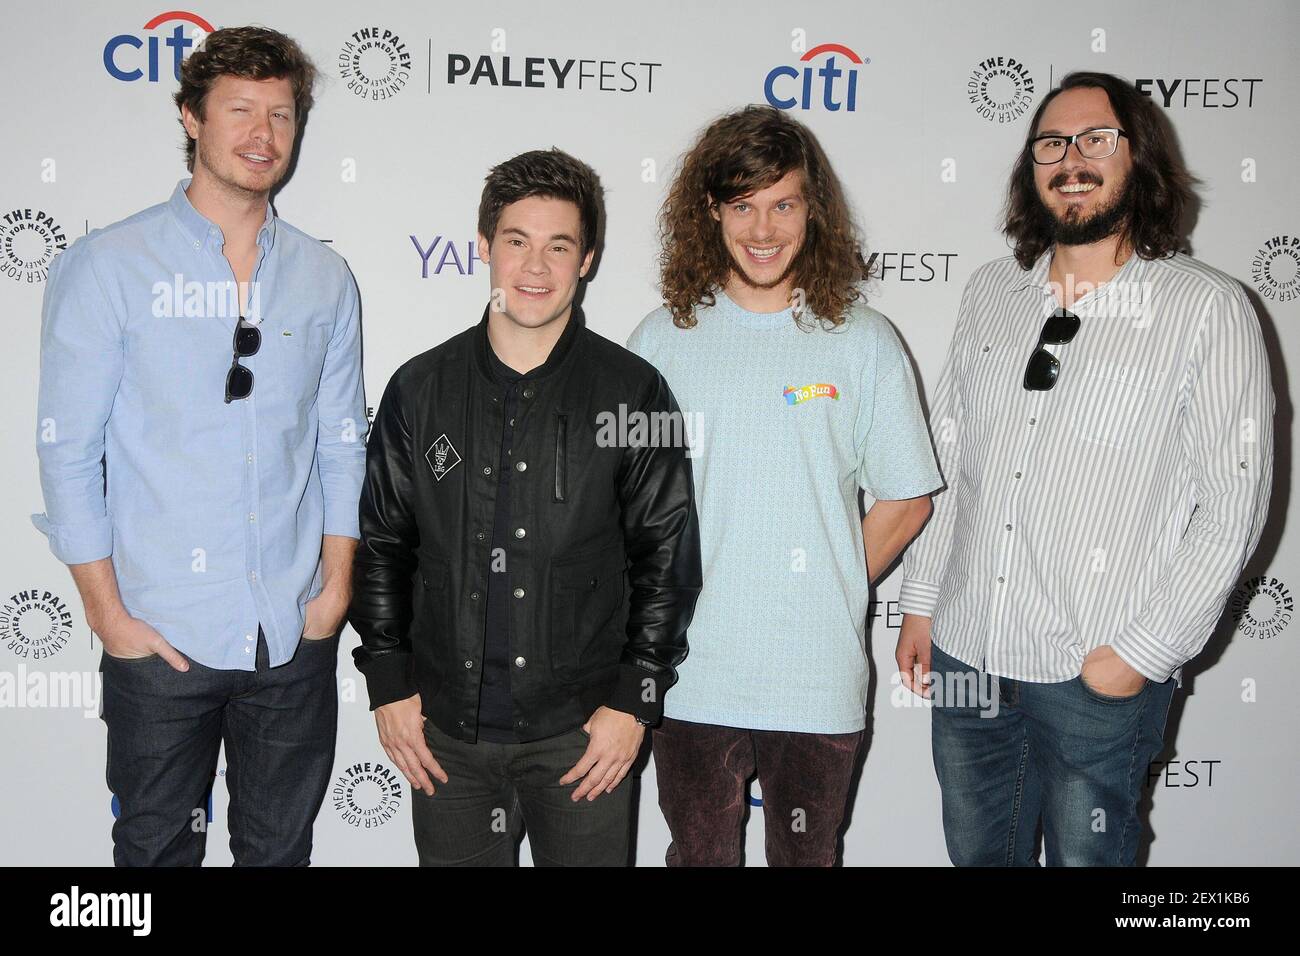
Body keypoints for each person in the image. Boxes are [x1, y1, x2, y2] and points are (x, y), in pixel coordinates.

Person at [896, 71, 1275, 866]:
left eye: (1096, 139)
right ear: (1031, 169)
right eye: (1051, 143)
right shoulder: (992, 291)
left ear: (1141, 158)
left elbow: (1233, 501)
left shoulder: (1205, 307)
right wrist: (924, 602)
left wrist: (1144, 650)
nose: (1072, 158)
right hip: (970, 657)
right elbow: (952, 459)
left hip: (1092, 670)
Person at [33, 26, 367, 865]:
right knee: (152, 854)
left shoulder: (325, 278)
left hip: (290, 637)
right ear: (191, 117)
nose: (264, 135)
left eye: (283, 115)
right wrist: (109, 615)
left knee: (280, 851)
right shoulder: (109, 265)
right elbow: (68, 451)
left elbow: (340, 444)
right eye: (241, 111)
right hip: (160, 637)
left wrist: (333, 593)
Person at [349, 148, 702, 867]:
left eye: (558, 245)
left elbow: (667, 559)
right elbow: (382, 545)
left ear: (589, 258)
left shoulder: (635, 391)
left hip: (583, 738)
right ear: (483, 248)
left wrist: (635, 700)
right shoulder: (418, 390)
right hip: (446, 738)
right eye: (516, 242)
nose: (535, 268)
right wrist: (387, 683)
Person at [628, 105, 941, 866]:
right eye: (742, 205)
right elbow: (629, 504)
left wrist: (826, 579)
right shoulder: (661, 341)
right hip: (689, 673)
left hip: (815, 676)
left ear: (813, 212)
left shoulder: (863, 343)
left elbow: (908, 497)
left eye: (783, 204)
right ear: (711, 212)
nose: (762, 228)